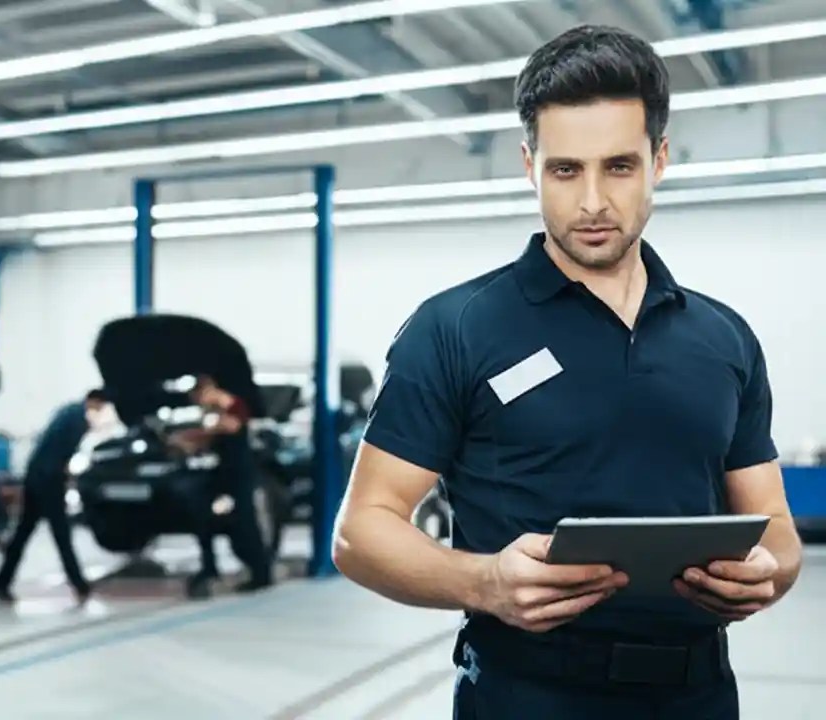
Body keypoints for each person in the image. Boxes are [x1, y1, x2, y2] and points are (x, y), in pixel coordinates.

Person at [331, 25, 802, 720]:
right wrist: (486, 580)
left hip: (699, 696)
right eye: (564, 170)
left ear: (659, 159)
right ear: (529, 164)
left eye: (618, 167)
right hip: (527, 696)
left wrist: (768, 575)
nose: (590, 203)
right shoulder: (456, 328)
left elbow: (778, 532)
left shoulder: (723, 337)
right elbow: (361, 531)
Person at [0, 390, 110, 605]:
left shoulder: (66, 411)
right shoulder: (78, 420)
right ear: (96, 401)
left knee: (23, 534)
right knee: (61, 534)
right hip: (49, 482)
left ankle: (1, 583)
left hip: (35, 476)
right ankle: (79, 585)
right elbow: (64, 455)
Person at [175, 375, 273, 598]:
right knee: (204, 516)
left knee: (245, 523)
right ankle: (210, 567)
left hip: (240, 475)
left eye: (197, 396)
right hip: (223, 474)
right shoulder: (214, 412)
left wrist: (195, 435)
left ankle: (261, 573)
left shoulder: (234, 406)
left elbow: (229, 427)